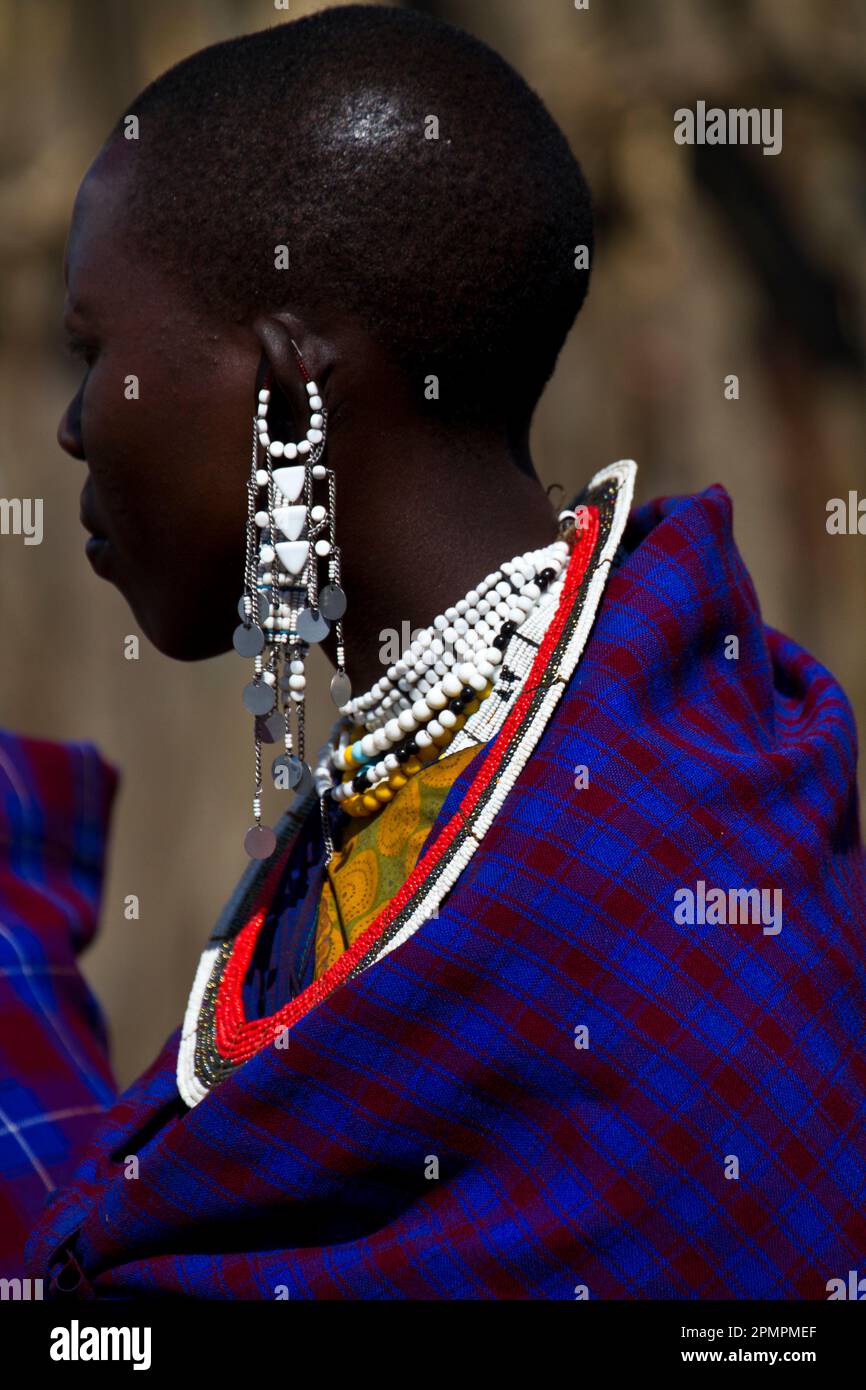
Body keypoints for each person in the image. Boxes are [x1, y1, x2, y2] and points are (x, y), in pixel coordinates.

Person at [2, 5, 863, 1299]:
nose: (69, 431)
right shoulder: (487, 768)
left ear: (288, 389)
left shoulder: (629, 886)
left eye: (94, 355)